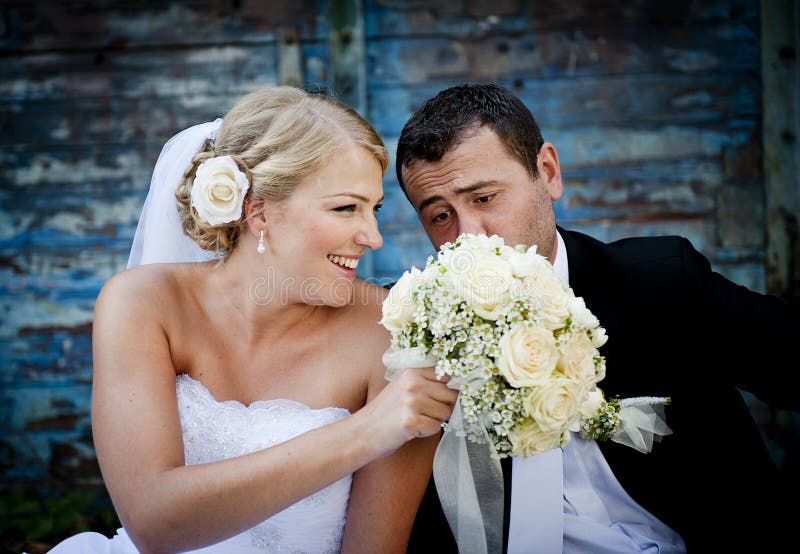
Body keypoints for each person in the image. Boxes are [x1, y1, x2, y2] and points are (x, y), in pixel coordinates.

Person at [46, 86, 458, 554]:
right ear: (258, 210)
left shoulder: (395, 332)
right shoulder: (142, 303)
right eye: (346, 207)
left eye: (374, 208)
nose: (373, 237)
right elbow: (153, 523)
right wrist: (368, 431)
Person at [394, 83, 799, 553]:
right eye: (440, 215)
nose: (469, 237)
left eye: (483, 199)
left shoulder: (662, 284)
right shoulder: (413, 331)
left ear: (547, 172)